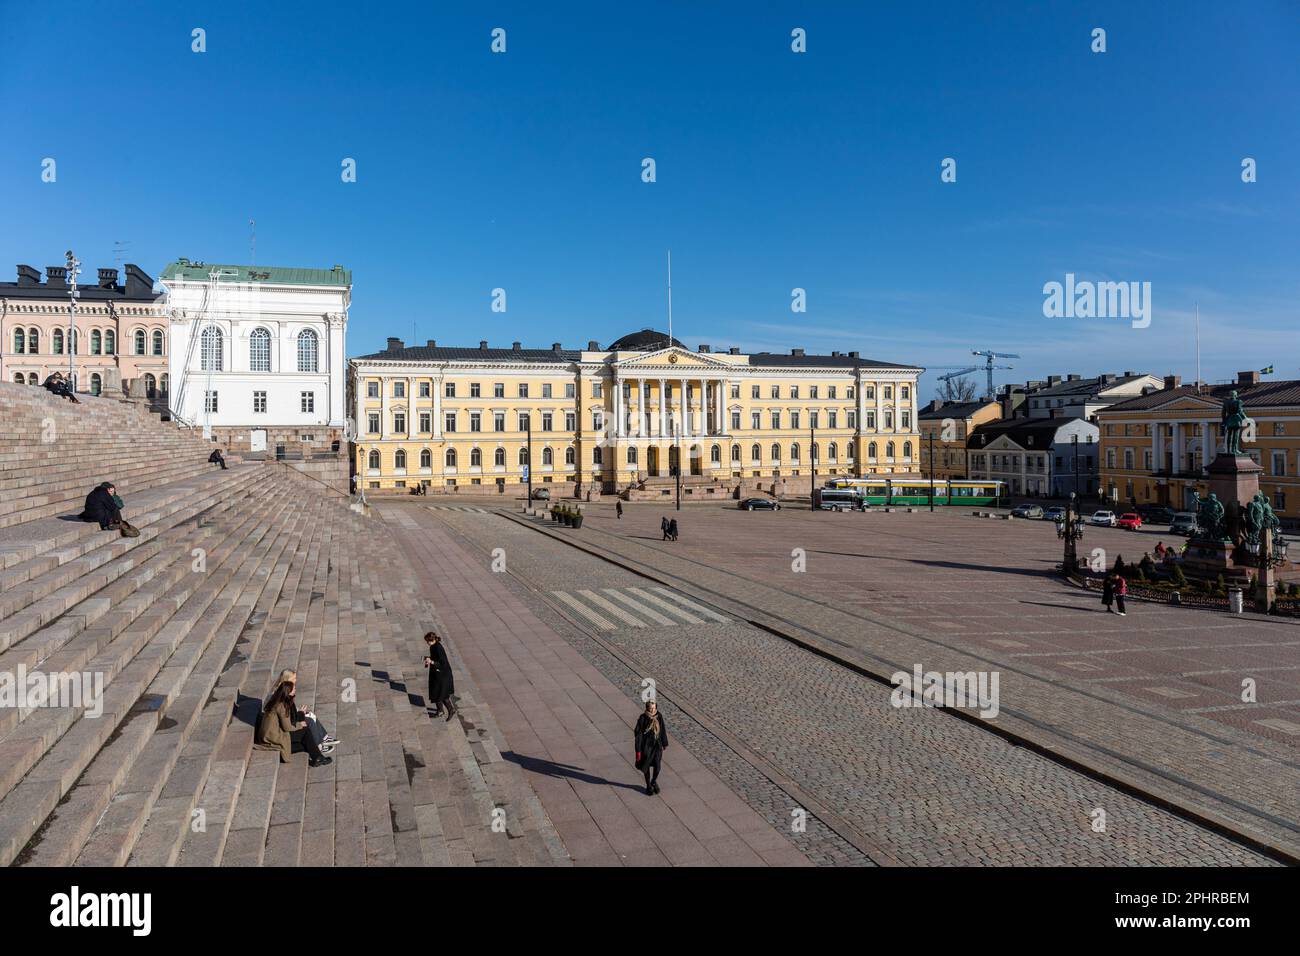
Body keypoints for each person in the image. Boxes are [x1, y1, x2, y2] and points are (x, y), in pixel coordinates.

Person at [254, 677, 333, 767]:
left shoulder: (277, 700)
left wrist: (300, 715)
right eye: (294, 689)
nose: (295, 689)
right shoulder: (281, 706)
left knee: (306, 743)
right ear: (289, 692)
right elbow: (287, 727)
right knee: (305, 731)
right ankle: (318, 757)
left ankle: (317, 756)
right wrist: (300, 725)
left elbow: (288, 720)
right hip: (274, 736)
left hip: (271, 734)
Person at [633, 700, 669, 795]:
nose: (652, 710)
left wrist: (664, 743)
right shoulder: (642, 718)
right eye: (650, 708)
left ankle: (653, 781)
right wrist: (638, 751)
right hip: (646, 747)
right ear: (647, 708)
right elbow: (638, 735)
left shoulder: (659, 716)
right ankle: (648, 785)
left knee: (657, 767)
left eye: (654, 708)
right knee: (646, 767)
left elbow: (662, 730)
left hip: (657, 746)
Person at [423, 631, 456, 721]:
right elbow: (434, 657)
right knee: (435, 692)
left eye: (427, 641)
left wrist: (432, 662)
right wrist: (428, 658)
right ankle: (440, 711)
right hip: (436, 674)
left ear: (432, 640)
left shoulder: (438, 648)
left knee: (442, 694)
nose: (427, 643)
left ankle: (451, 709)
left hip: (443, 675)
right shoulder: (433, 646)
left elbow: (443, 663)